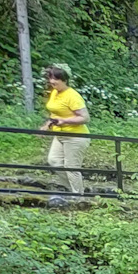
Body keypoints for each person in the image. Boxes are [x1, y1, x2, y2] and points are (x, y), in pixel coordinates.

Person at [41, 65, 90, 197]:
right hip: (60, 135)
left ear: (64, 80)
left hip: (76, 137)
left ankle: (78, 197)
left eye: (56, 79)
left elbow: (85, 118)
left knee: (71, 167)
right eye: (50, 78)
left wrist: (65, 121)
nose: (52, 82)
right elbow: (55, 113)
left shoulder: (72, 96)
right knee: (54, 161)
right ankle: (74, 188)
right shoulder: (55, 93)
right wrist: (48, 125)